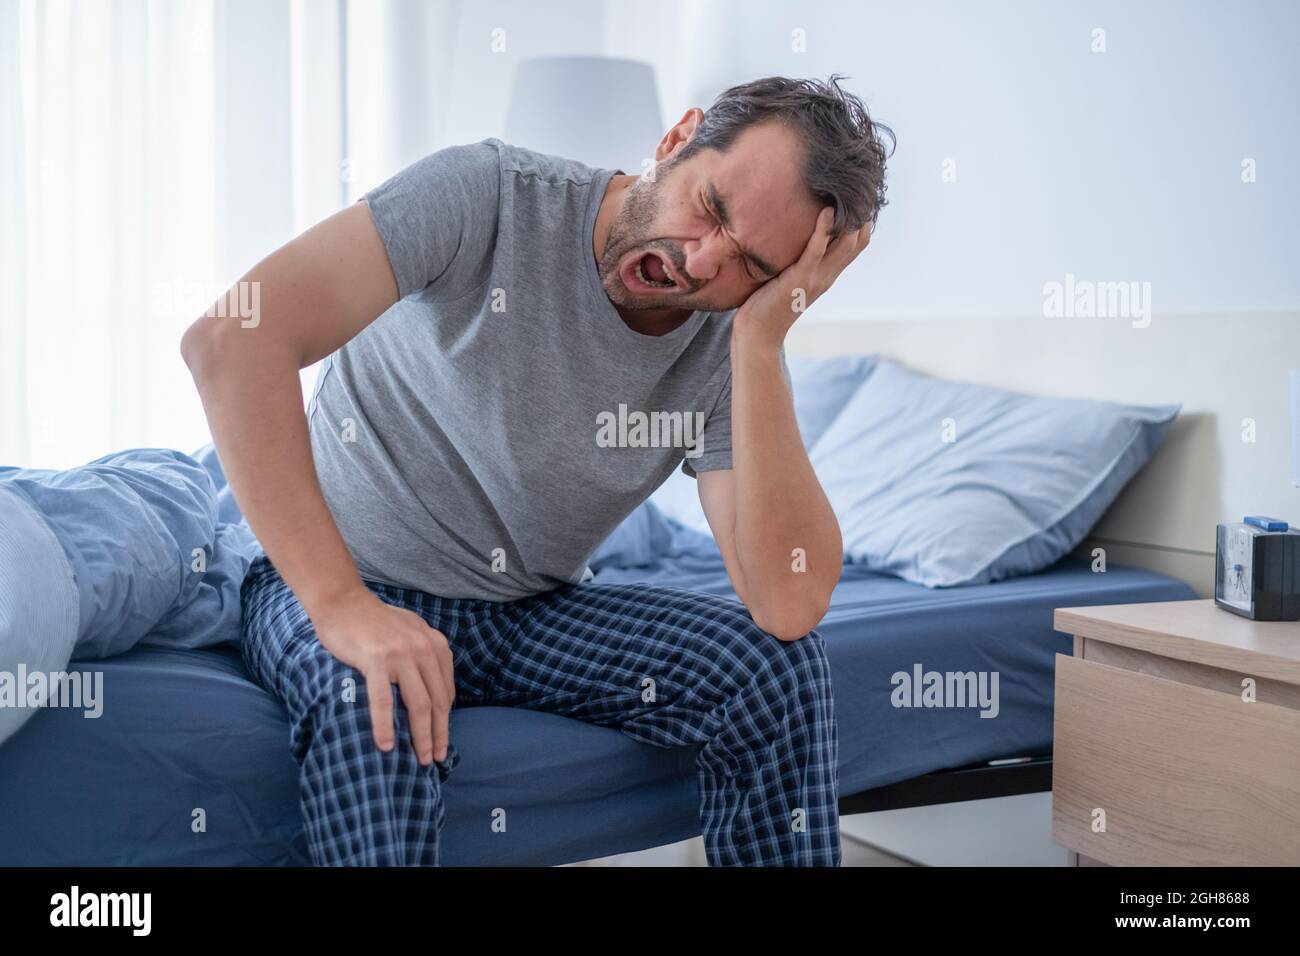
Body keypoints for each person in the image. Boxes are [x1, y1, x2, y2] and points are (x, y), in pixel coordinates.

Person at [182, 74, 893, 866]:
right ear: (677, 139)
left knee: (774, 673)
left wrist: (762, 340)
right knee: (370, 700)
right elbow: (231, 340)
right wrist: (341, 604)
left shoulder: (730, 340)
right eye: (712, 207)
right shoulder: (485, 196)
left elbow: (789, 603)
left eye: (750, 266)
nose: (697, 262)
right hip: (343, 578)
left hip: (526, 613)